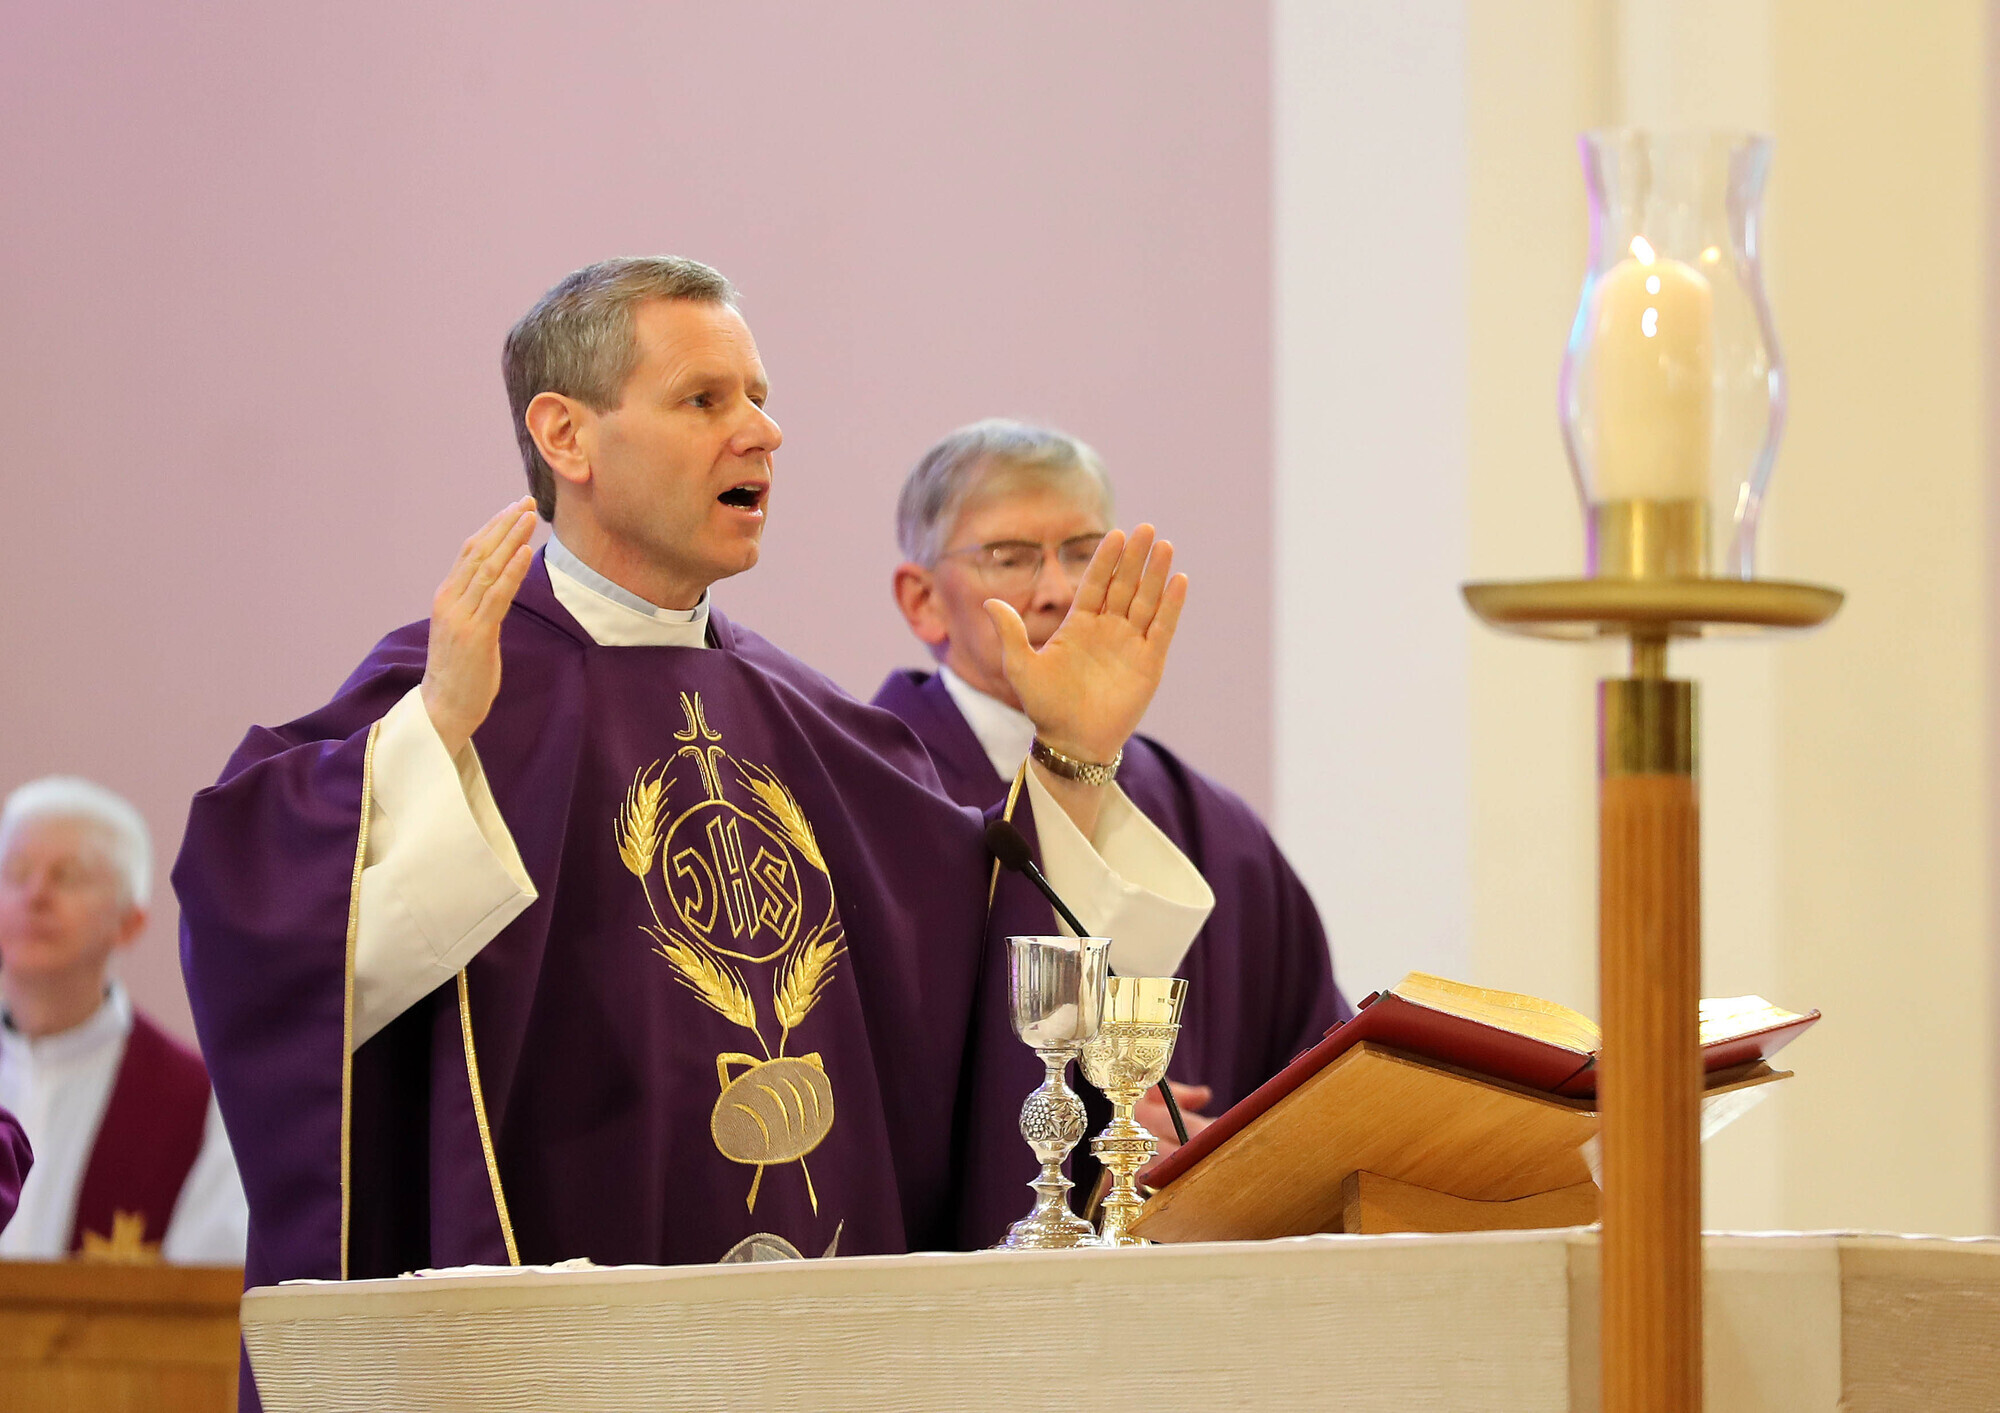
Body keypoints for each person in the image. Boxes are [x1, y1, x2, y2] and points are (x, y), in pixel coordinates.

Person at [174, 257, 1210, 1344]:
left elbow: (988, 959)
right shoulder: (454, 698)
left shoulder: (814, 726)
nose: (760, 433)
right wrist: (433, 742)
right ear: (566, 437)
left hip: (819, 1358)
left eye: (758, 398)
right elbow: (260, 930)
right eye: (704, 401)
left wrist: (1074, 757)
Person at [876, 419, 1351, 1152]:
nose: (1058, 591)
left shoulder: (1212, 829)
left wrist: (1232, 1148)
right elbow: (866, 1074)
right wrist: (1102, 1131)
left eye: (1083, 552)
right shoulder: (871, 802)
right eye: (1010, 558)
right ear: (923, 600)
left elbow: (1320, 1070)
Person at [0, 777, 246, 1263]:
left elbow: (198, 1302)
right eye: (17, 872)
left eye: (67, 876)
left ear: (130, 921)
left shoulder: (197, 1103)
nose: (35, 895)